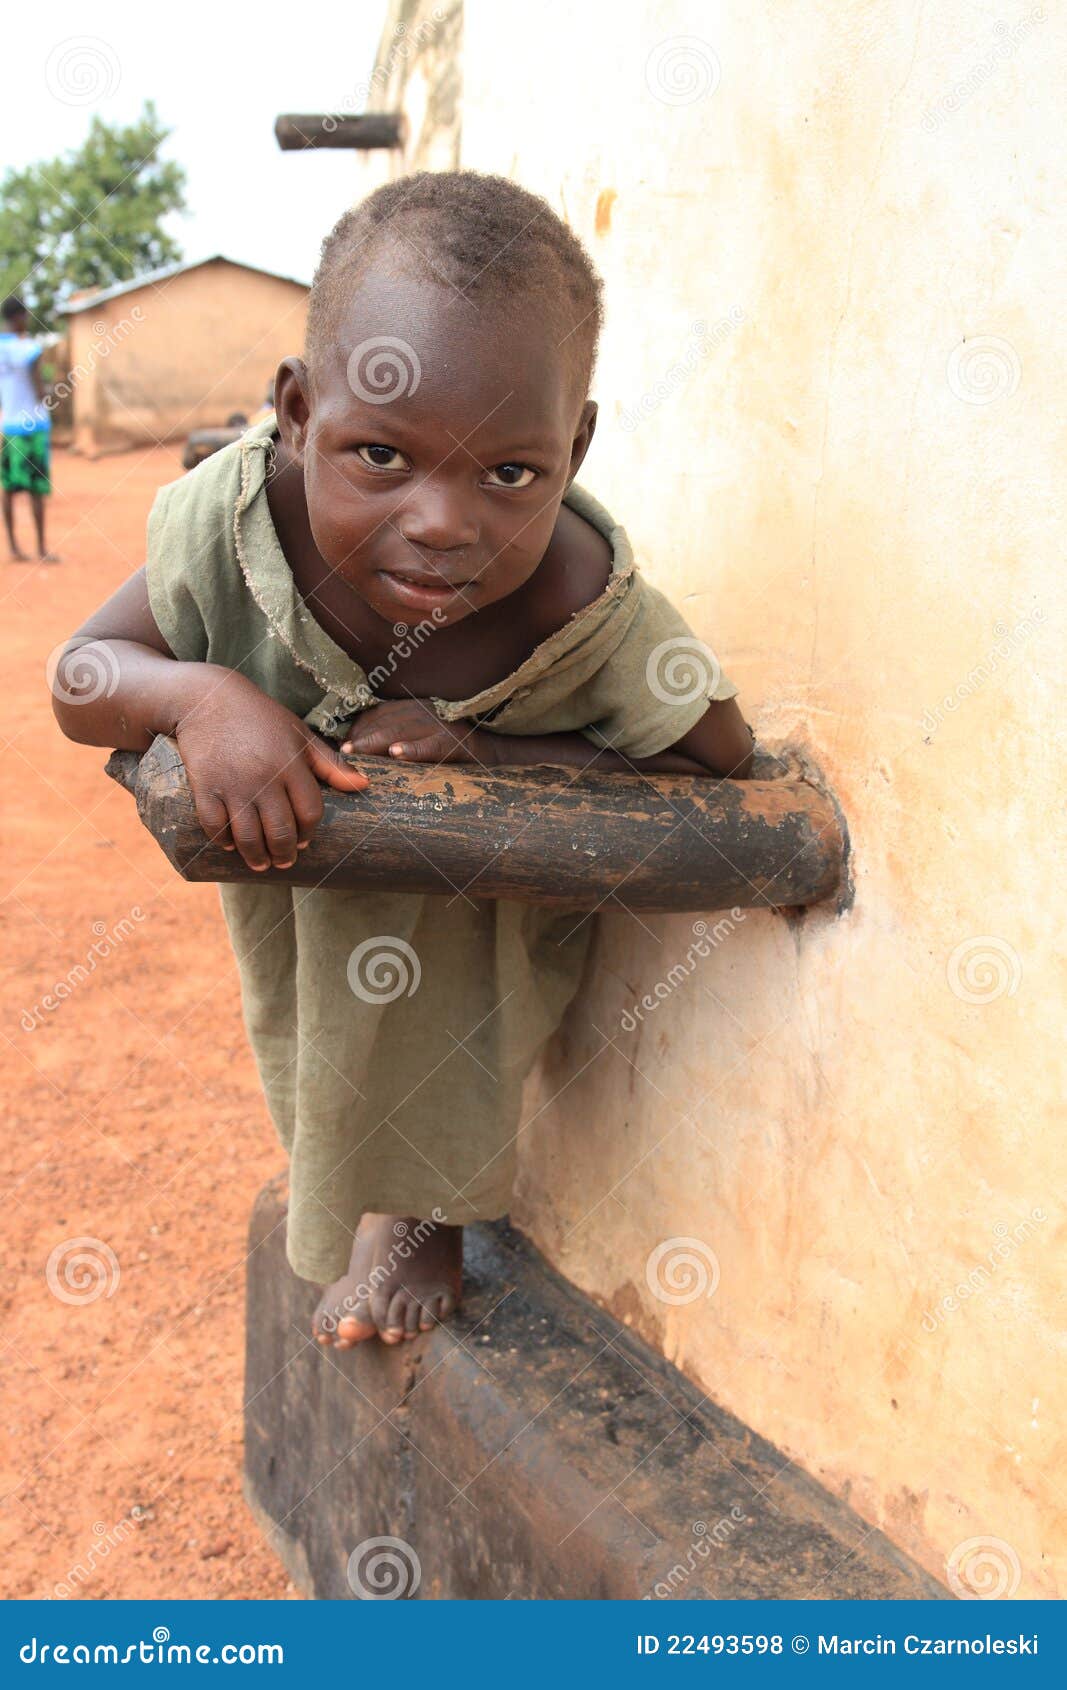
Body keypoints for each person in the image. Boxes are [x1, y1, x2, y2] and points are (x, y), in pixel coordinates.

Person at [51, 171, 755, 1348]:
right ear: (295, 413)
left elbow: (716, 757)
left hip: (477, 924)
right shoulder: (236, 525)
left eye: (511, 473)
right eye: (380, 453)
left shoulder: (576, 591)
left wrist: (493, 749)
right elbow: (82, 677)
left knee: (455, 1036)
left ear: (574, 449)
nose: (442, 523)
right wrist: (199, 696)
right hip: (313, 900)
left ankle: (426, 1220)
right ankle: (368, 1200)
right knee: (321, 1038)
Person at [0, 297, 58, 562]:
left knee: (8, 488)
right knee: (36, 489)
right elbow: (38, 393)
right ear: (20, 316)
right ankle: (41, 549)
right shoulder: (30, 349)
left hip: (9, 427)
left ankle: (13, 548)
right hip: (33, 426)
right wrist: (52, 390)